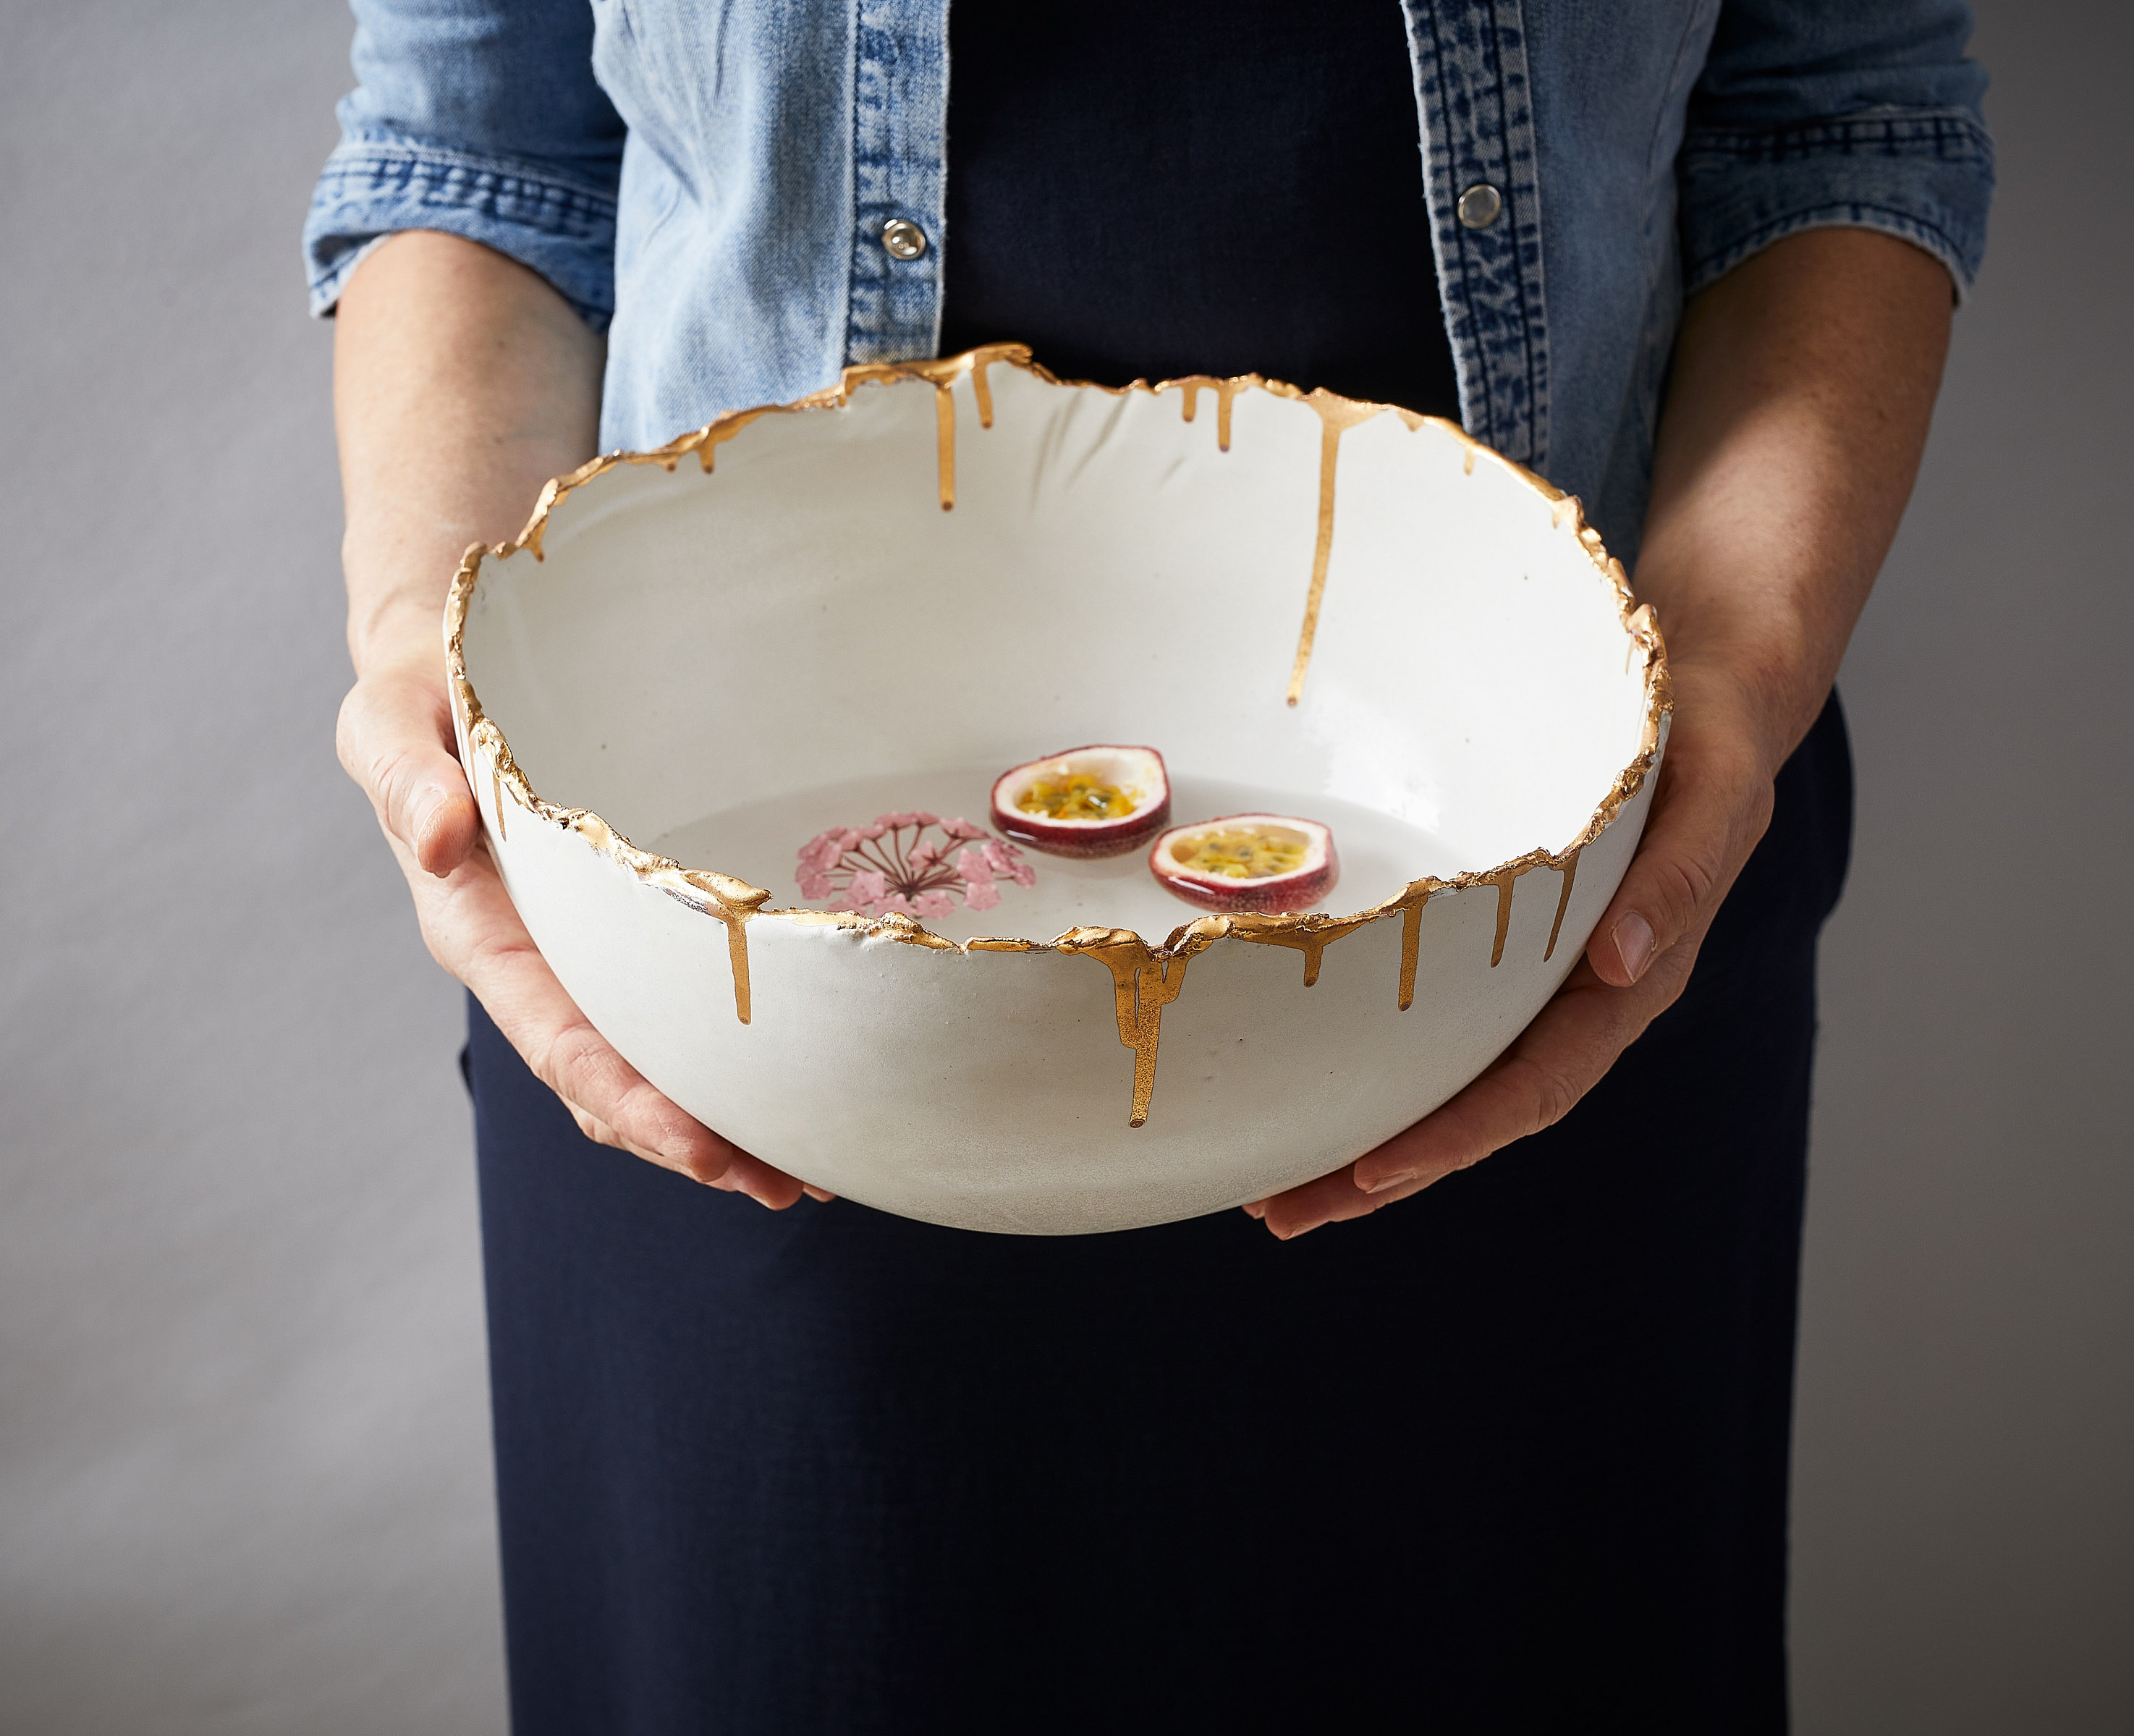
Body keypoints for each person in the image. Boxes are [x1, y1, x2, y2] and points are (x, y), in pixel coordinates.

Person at [307, 4, 1991, 1729]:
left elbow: (1831, 125)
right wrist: (442, 656)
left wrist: (1729, 678)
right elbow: (480, 162)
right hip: (729, 985)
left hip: (1550, 926)